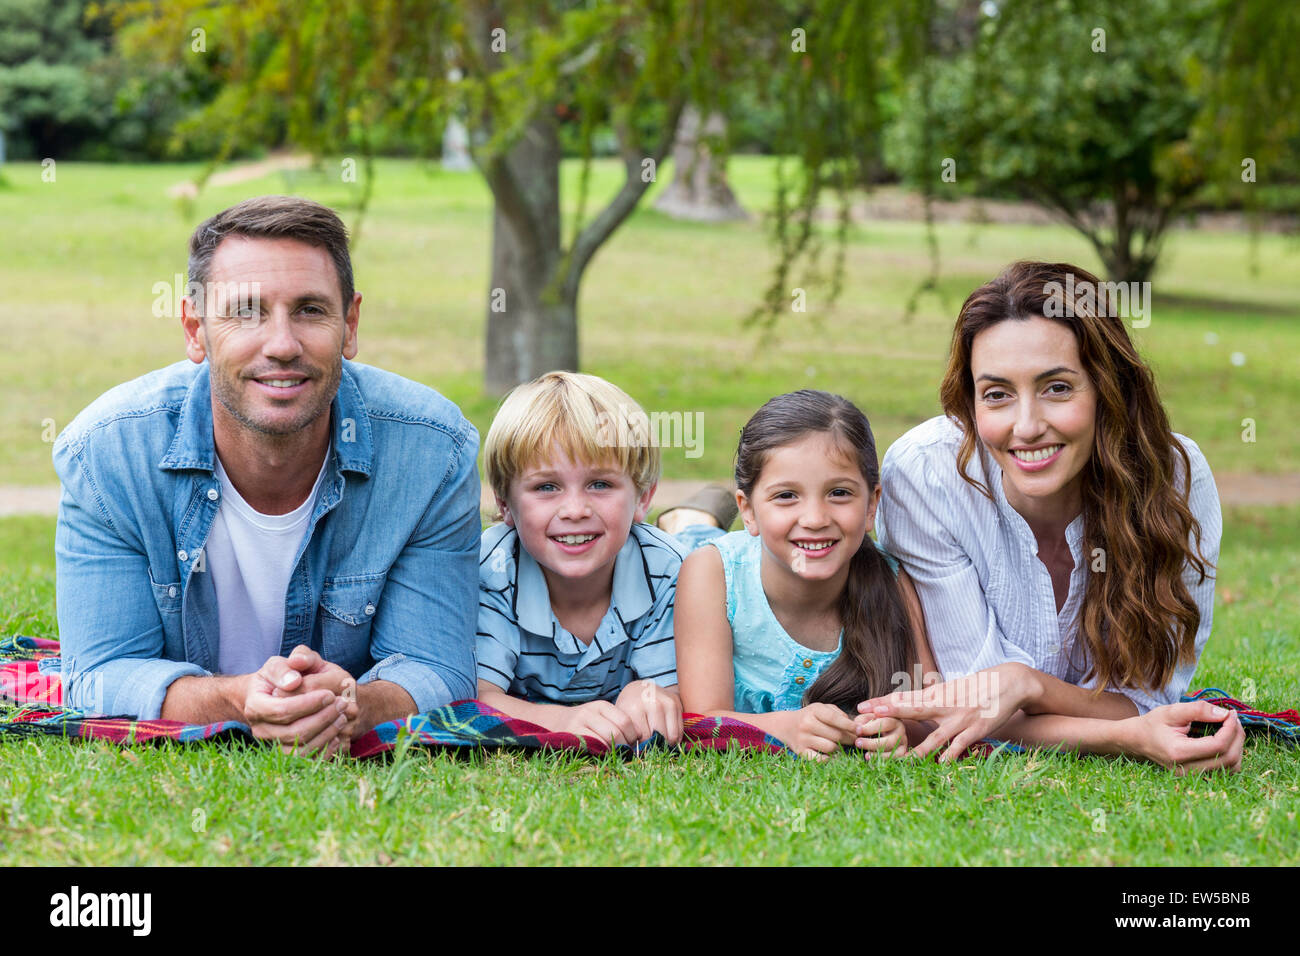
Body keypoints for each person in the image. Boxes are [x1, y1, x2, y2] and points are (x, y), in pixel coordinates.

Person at [51, 195, 480, 757]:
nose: (282, 345)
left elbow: (439, 668)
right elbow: (98, 676)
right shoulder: (107, 454)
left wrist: (352, 704)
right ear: (195, 329)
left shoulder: (431, 453)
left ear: (349, 325)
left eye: (309, 310)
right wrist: (240, 699)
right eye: (246, 311)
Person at [867, 260, 1244, 774]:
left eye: (1057, 388)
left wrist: (1029, 684)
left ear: (1109, 391)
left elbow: (1149, 700)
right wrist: (1126, 737)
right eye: (997, 395)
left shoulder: (1174, 479)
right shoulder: (925, 475)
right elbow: (972, 707)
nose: (1026, 427)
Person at [674, 390, 940, 759]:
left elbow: (926, 712)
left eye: (839, 492)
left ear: (871, 504)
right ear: (747, 510)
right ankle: (691, 518)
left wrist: (899, 730)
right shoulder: (711, 573)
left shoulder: (892, 580)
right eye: (786, 496)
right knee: (691, 537)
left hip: (772, 543)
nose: (815, 519)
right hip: (713, 547)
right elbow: (701, 722)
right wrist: (786, 727)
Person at [476, 372, 686, 746]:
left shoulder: (669, 571)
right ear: (505, 504)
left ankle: (691, 520)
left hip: (678, 543)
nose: (574, 510)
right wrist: (561, 719)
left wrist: (653, 694)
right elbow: (479, 697)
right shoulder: (491, 573)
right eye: (546, 487)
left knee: (701, 547)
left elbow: (678, 694)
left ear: (642, 498)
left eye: (600, 484)